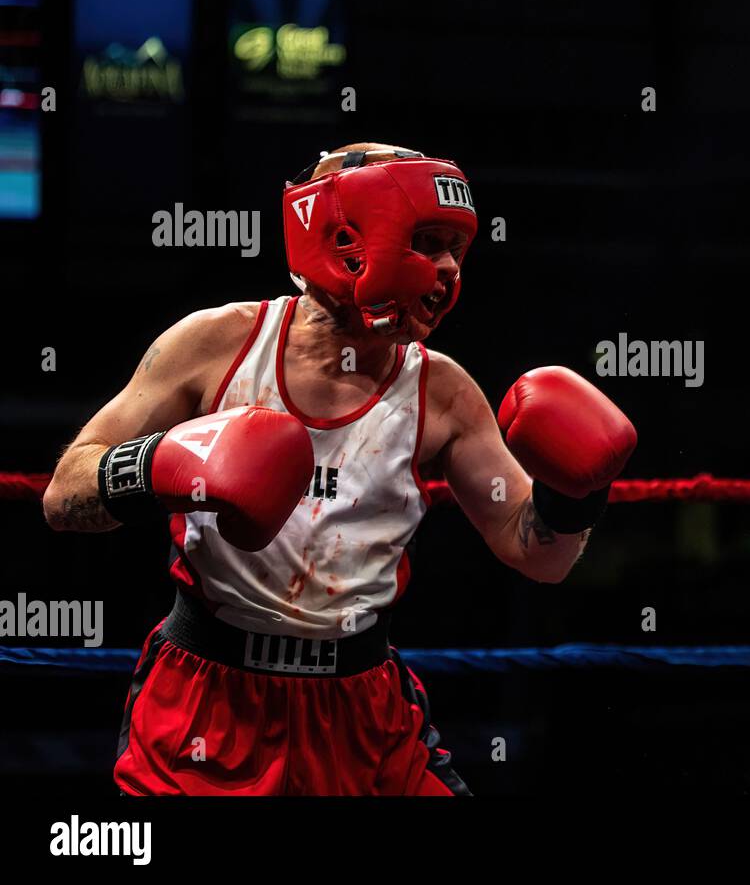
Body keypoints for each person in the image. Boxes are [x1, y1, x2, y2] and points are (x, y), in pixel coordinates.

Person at [42, 143, 637, 795]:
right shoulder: (215, 344)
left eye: (456, 250)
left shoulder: (443, 392)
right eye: (427, 241)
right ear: (348, 239)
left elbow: (538, 555)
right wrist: (165, 464)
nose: (446, 271)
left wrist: (576, 492)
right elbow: (65, 492)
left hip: (365, 713)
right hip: (208, 702)